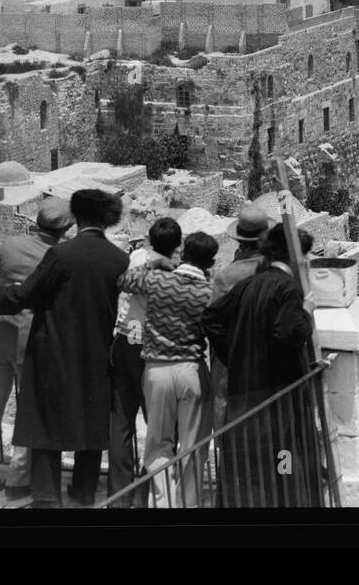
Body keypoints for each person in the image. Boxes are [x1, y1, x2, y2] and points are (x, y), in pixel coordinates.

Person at [0, 188, 128, 508]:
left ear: (76, 217)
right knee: (91, 422)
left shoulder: (61, 255)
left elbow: (27, 295)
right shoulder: (119, 259)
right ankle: (83, 491)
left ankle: (48, 496)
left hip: (53, 349)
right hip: (97, 352)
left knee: (44, 421)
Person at [203, 224, 321, 507]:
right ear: (294, 256)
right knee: (285, 462)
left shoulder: (248, 284)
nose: (306, 262)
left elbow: (211, 318)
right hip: (277, 400)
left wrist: (238, 356)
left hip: (244, 393)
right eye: (304, 256)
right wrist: (306, 313)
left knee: (248, 471)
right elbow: (288, 331)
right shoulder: (289, 288)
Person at [0, 198, 74, 502]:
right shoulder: (61, 256)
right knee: (30, 414)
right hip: (34, 340)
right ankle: (17, 480)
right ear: (65, 228)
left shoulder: (9, 245)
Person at [120, 231, 218, 507]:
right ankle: (187, 504)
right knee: (192, 446)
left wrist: (153, 263)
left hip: (157, 370)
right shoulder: (208, 292)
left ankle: (163, 504)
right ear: (209, 263)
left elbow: (125, 281)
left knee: (158, 445)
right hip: (191, 369)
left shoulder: (159, 280)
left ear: (183, 254)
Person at [107, 216, 182, 503]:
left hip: (125, 343)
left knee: (121, 422)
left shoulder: (137, 256)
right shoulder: (174, 273)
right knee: (160, 425)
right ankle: (151, 490)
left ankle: (120, 495)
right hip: (153, 350)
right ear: (177, 245)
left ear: (149, 240)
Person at [201, 205, 273, 426]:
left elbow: (212, 320)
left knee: (226, 410)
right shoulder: (275, 269)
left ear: (239, 241)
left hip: (231, 357)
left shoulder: (227, 277)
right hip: (266, 356)